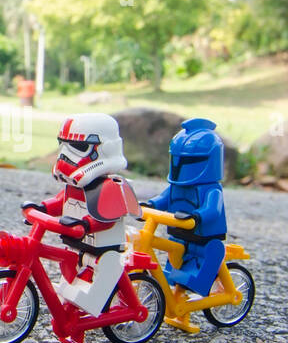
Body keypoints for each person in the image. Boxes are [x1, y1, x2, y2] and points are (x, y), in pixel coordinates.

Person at [25, 114, 138, 315]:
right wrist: (43, 208)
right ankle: (72, 314)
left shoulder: (110, 187)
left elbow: (106, 218)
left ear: (104, 149)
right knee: (68, 283)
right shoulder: (76, 187)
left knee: (91, 294)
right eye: (63, 145)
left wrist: (86, 225)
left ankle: (94, 311)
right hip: (78, 246)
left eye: (78, 147)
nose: (65, 155)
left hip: (105, 251)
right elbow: (61, 201)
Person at [143, 118, 227, 298]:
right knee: (174, 262)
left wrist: (197, 216)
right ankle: (173, 287)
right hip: (180, 233)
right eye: (177, 161)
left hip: (205, 238)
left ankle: (199, 285)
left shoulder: (212, 189)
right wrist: (151, 204)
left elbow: (213, 210)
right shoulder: (176, 186)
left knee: (211, 253)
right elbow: (163, 199)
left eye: (187, 161)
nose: (180, 166)